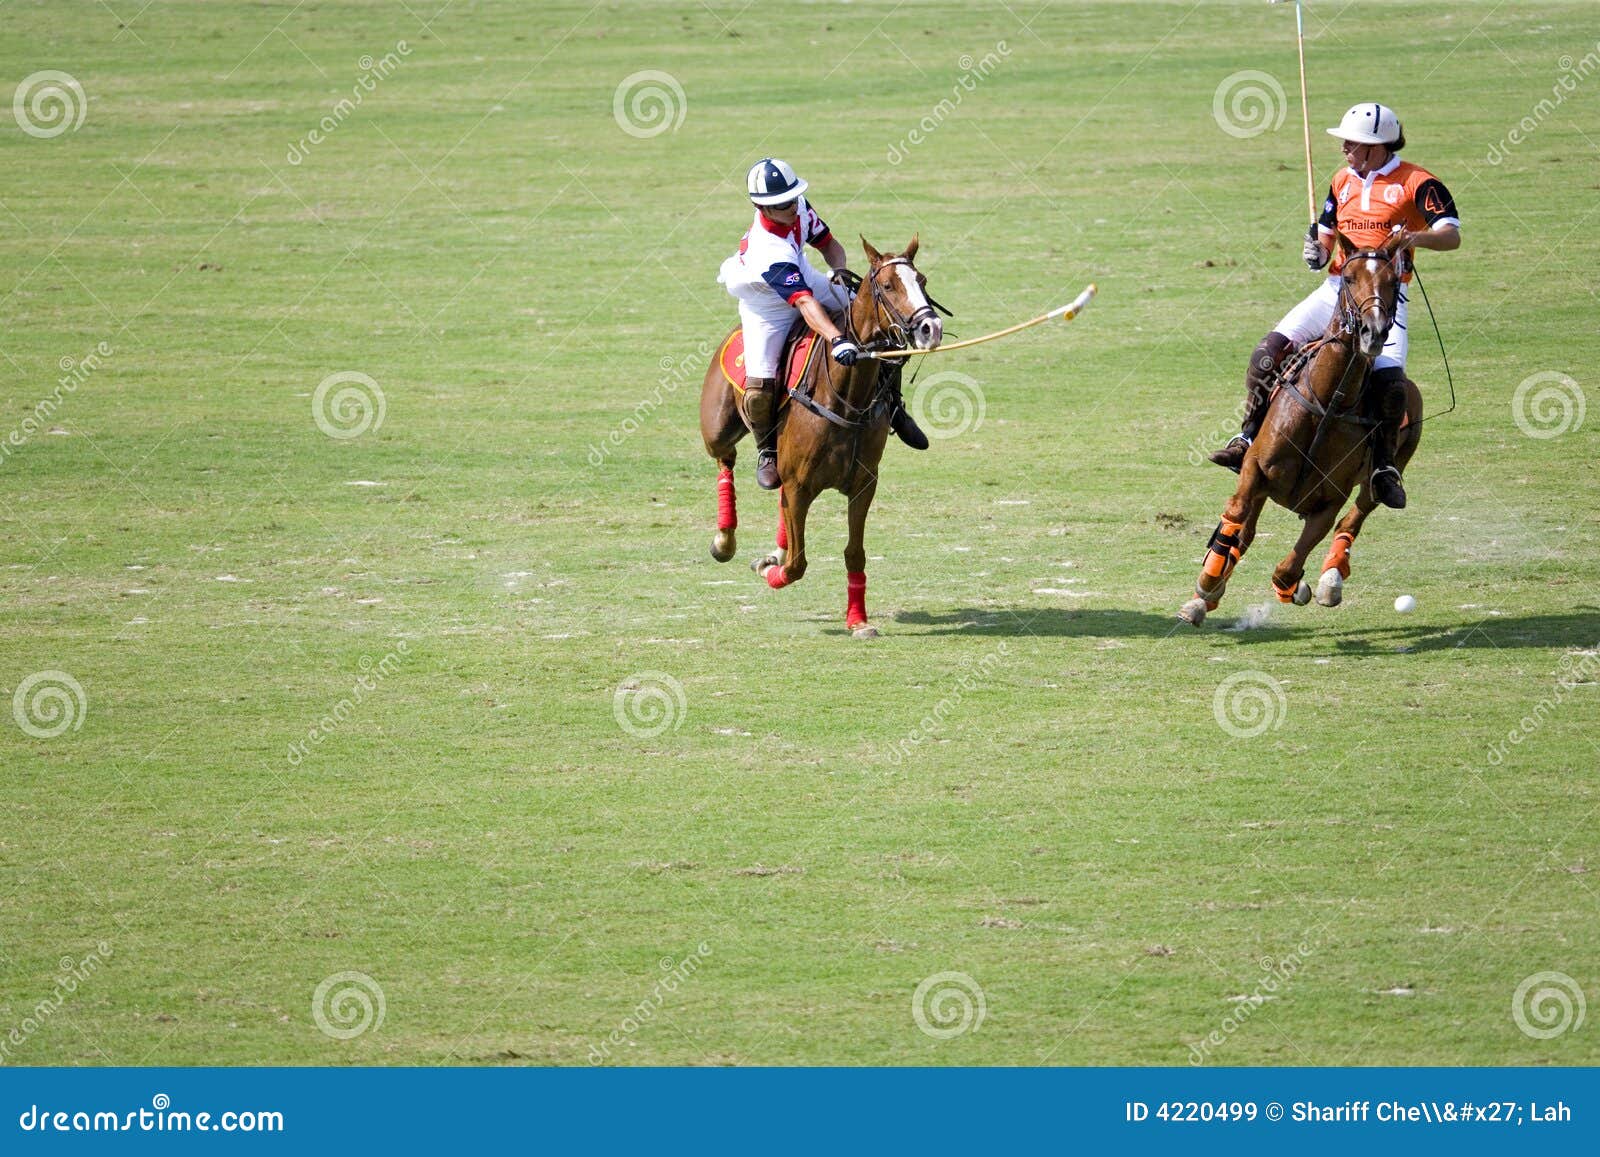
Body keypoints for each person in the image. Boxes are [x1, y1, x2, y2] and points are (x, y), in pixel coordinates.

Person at [1209, 103, 1461, 509]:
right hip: (1337, 289)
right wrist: (1316, 251)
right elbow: (1326, 239)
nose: (1344, 148)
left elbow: (1451, 235)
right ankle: (1246, 436)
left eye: (1351, 143)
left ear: (1376, 146)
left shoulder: (1417, 182)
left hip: (1385, 297)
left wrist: (1412, 238)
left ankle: (1383, 468)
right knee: (1266, 354)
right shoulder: (1341, 180)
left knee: (1390, 384)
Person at [718, 158, 926, 490]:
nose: (790, 206)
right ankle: (767, 450)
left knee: (874, 322)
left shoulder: (798, 206)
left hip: (801, 275)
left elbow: (829, 245)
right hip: (765, 303)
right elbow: (803, 303)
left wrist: (839, 271)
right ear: (761, 207)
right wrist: (836, 338)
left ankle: (894, 406)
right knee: (759, 386)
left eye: (791, 198)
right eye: (780, 204)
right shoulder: (766, 249)